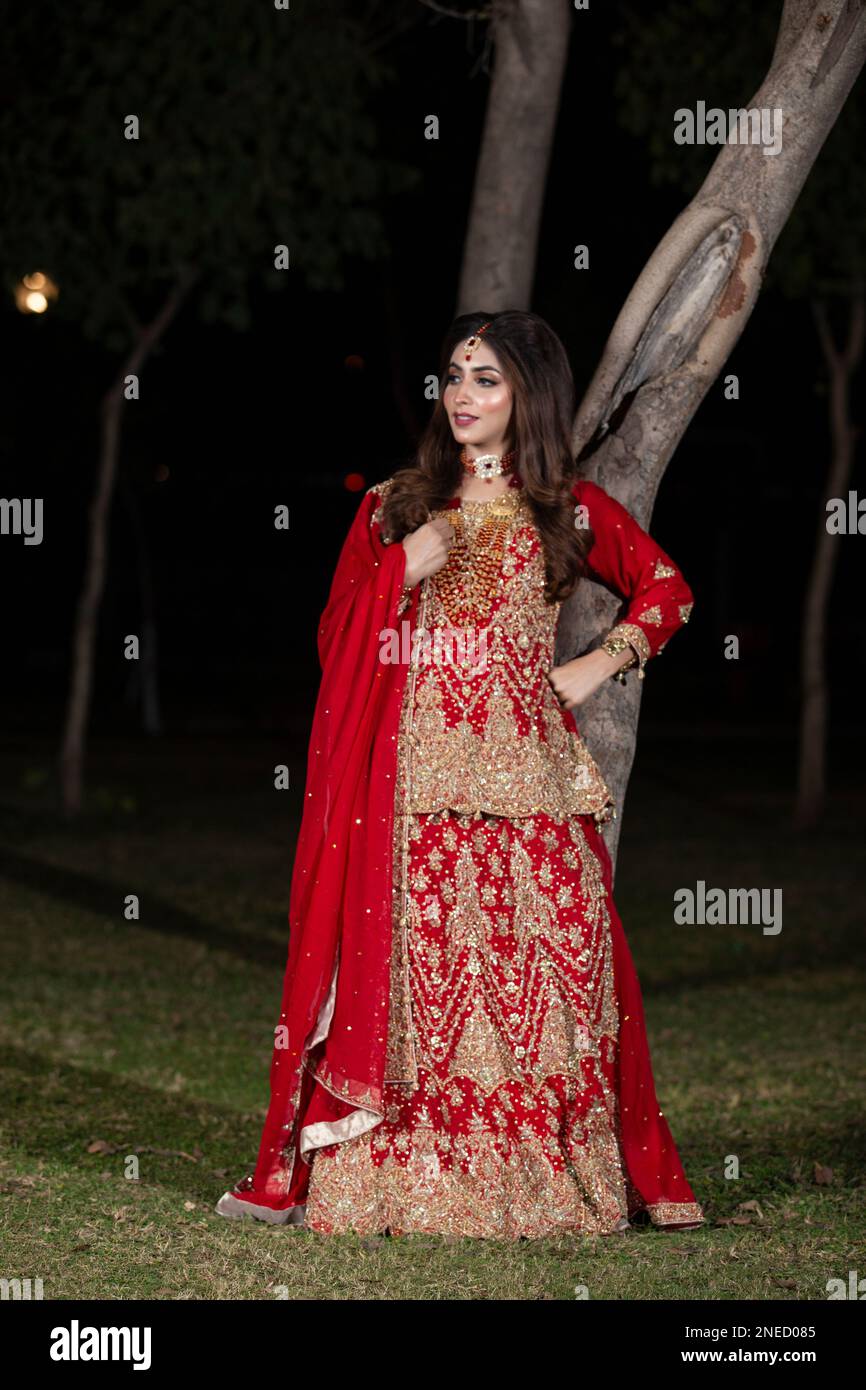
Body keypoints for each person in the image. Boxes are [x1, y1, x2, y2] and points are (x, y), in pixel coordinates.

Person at [216, 310, 704, 1238]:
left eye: (486, 379)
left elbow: (669, 590)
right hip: (410, 785)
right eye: (453, 376)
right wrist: (400, 568)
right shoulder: (396, 506)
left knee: (550, 976)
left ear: (531, 394)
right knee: (425, 984)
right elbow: (333, 639)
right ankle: (400, 1183)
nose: (461, 395)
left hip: (532, 782)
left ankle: (547, 1180)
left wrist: (600, 662)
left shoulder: (566, 508)